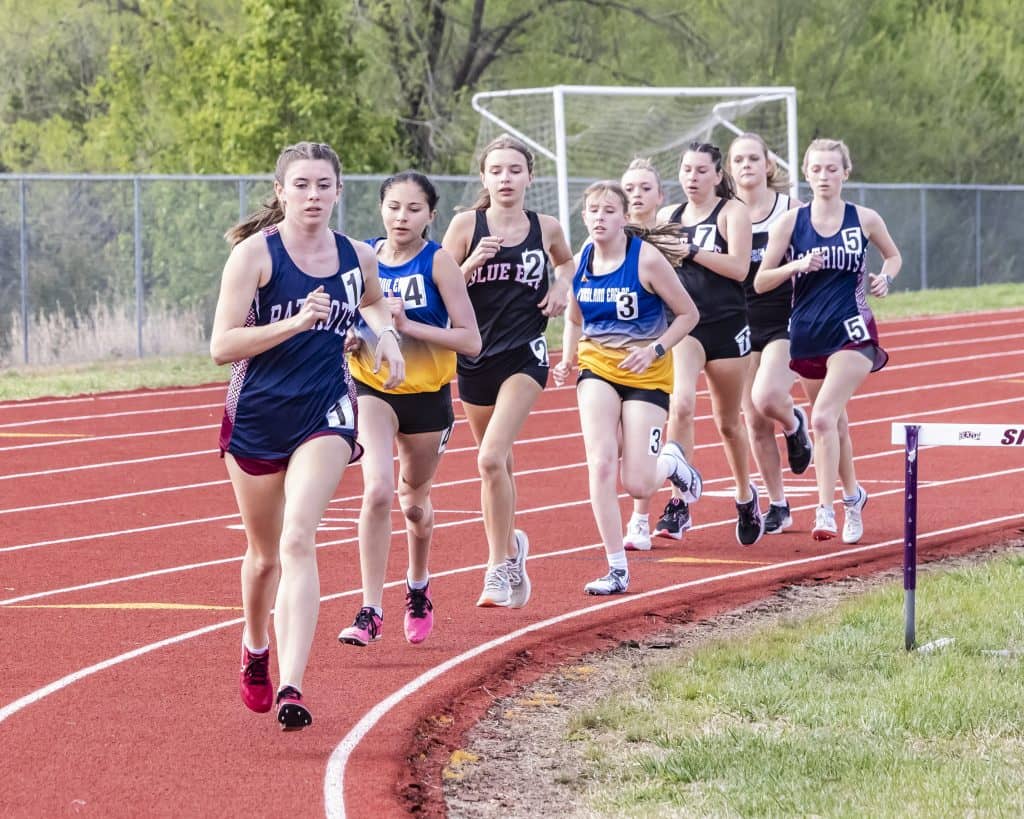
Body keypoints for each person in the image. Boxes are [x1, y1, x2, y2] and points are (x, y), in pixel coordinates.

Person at [212, 141, 404, 731]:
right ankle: (255, 644)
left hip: (325, 410)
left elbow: (373, 304)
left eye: (324, 185)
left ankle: (293, 683)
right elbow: (221, 347)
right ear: (281, 192)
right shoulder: (254, 257)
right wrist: (294, 321)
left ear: (339, 192)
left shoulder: (357, 255)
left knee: (300, 537)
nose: (313, 196)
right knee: (264, 557)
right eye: (302, 185)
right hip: (257, 414)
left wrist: (384, 337)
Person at [337, 171, 481, 647]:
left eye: (413, 209)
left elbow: (470, 340)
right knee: (376, 490)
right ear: (380, 208)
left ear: (430, 216)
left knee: (414, 505)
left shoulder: (437, 262)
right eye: (394, 206)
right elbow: (348, 318)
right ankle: (370, 609)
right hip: (373, 388)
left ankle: (417, 584)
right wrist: (354, 336)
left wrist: (409, 326)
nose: (402, 217)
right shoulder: (361, 258)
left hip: (426, 398)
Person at [442, 133, 574, 608]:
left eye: (514, 170)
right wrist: (472, 263)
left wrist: (561, 285)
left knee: (490, 459)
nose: (505, 178)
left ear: (529, 177)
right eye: (496, 171)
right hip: (476, 356)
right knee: (498, 464)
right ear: (484, 177)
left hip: (525, 353)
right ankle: (514, 547)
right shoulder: (465, 225)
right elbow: (437, 285)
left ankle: (496, 566)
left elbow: (567, 262)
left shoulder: (546, 227)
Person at [552, 181, 702, 594]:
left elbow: (688, 315)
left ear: (624, 218)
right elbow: (575, 317)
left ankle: (672, 463)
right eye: (593, 211)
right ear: (583, 217)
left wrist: (655, 349)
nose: (599, 217)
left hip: (646, 374)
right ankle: (616, 568)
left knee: (637, 482)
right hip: (597, 367)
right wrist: (567, 358)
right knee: (600, 463)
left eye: (609, 211)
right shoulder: (583, 257)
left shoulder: (647, 260)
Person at [755, 138, 901, 542]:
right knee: (834, 422)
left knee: (820, 417)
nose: (824, 176)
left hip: (853, 331)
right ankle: (854, 497)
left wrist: (884, 279)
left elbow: (893, 256)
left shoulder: (864, 218)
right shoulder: (790, 223)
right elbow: (761, 280)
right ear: (806, 173)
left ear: (845, 173)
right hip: (807, 333)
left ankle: (826, 511)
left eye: (832, 169)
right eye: (816, 169)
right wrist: (795, 266)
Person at [654, 141, 763, 546]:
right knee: (680, 403)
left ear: (718, 175)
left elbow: (738, 268)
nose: (693, 178)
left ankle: (744, 495)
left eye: (701, 171)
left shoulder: (733, 213)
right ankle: (680, 502)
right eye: (686, 170)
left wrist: (693, 251)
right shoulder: (669, 216)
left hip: (728, 324)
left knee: (729, 423)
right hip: (686, 324)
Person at [727, 133, 812, 536]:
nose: (746, 166)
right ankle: (779, 504)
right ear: (730, 169)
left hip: (784, 318)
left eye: (752, 159)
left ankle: (795, 423)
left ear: (767, 166)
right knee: (754, 422)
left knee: (768, 397)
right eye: (738, 160)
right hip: (741, 322)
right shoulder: (725, 214)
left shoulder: (791, 210)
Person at [617, 158, 667, 552]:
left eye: (645, 188)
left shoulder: (670, 239)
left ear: (660, 196)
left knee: (676, 410)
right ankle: (672, 469)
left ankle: (639, 519)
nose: (637, 195)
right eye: (630, 188)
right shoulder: (603, 238)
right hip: (612, 354)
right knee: (617, 445)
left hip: (666, 343)